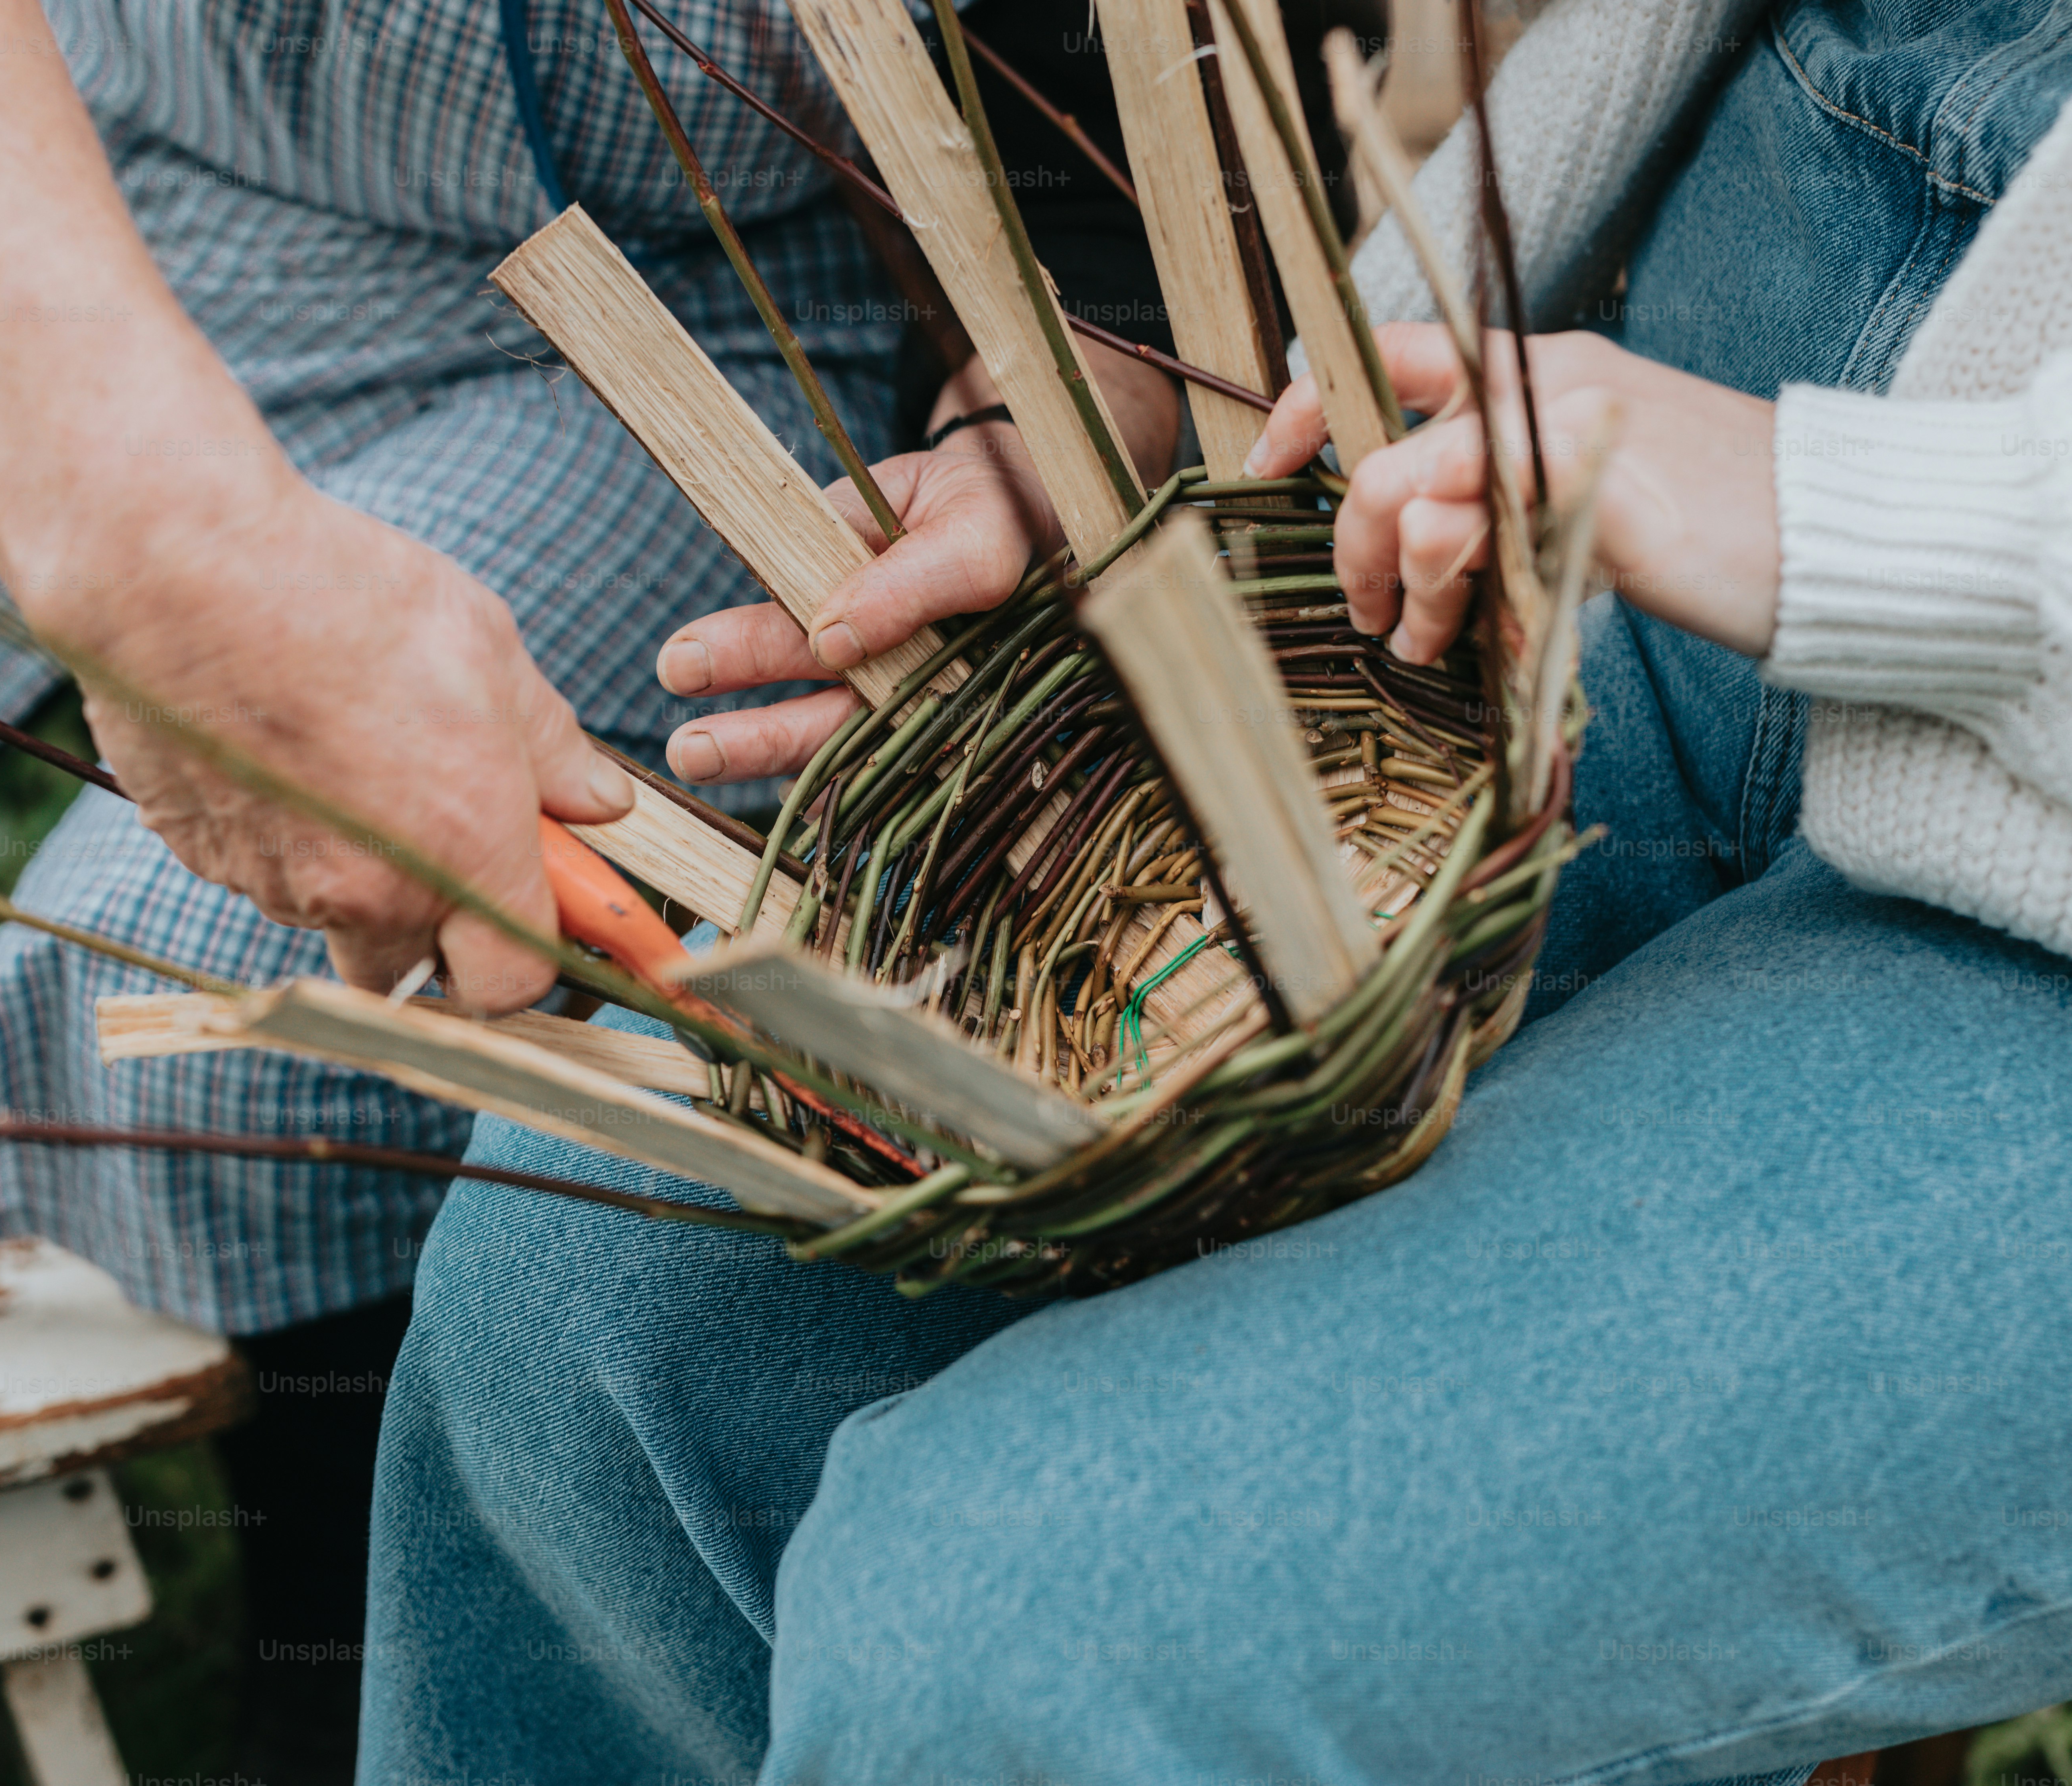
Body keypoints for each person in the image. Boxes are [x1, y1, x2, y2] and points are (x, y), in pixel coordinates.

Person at [0, 0, 1195, 1774]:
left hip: (666, 275)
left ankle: (331, 1662)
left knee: (237, 984)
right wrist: (146, 539)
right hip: (59, 152)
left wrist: (1068, 379)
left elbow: (1117, 145)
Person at [358, 0, 2072, 1780]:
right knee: (589, 1293)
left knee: (1012, 1631)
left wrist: (1901, 533)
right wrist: (1128, 402)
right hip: (1621, 539)